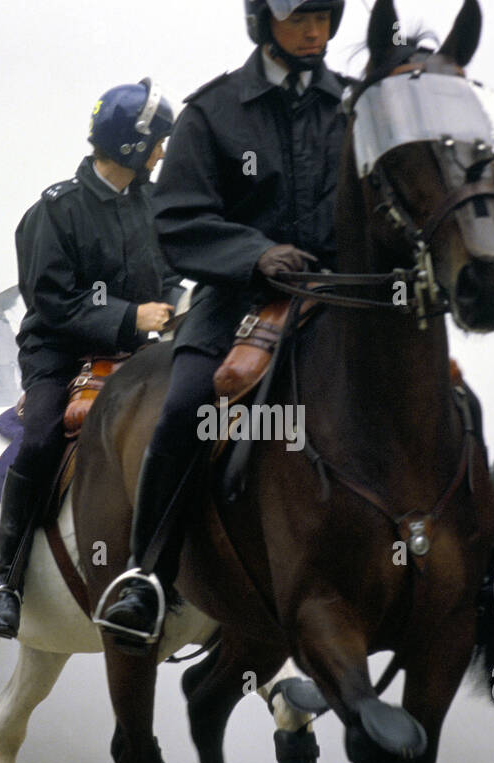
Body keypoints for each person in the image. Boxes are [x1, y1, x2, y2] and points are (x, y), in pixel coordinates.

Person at [97, 0, 351, 638]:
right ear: (264, 19)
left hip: (344, 294)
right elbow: (178, 218)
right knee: (185, 407)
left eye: (324, 16)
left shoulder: (353, 105)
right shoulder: (212, 113)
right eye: (299, 18)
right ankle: (145, 575)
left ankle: (485, 566)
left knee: (444, 386)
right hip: (237, 299)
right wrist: (257, 255)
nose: (314, 31)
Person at [0, 80, 183, 639]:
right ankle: (6, 581)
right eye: (157, 141)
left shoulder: (155, 204)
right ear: (131, 146)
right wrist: (129, 317)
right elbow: (53, 301)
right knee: (42, 437)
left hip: (140, 352)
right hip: (58, 354)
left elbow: (169, 278)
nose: (162, 152)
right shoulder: (54, 211)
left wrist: (178, 304)